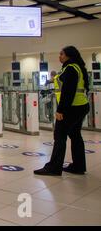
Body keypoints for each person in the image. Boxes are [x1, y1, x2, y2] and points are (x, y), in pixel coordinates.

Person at [34, 46, 90, 176]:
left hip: (72, 107)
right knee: (75, 135)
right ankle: (78, 166)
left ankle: (54, 167)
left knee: (59, 135)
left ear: (69, 55)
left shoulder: (70, 69)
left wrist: (61, 110)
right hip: (81, 106)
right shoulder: (76, 67)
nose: (59, 56)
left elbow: (68, 92)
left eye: (61, 54)